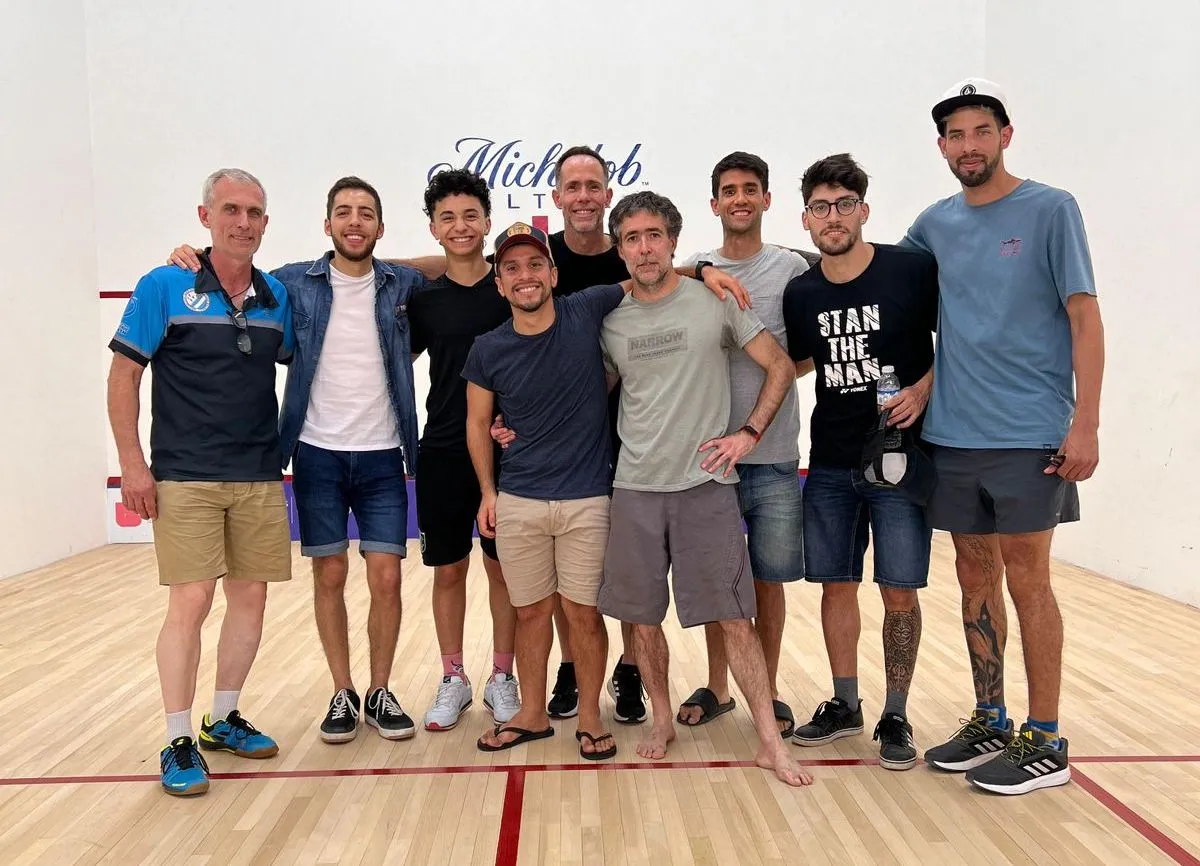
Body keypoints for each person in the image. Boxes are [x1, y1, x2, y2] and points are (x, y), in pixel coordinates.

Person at [168, 178, 425, 745]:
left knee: (386, 576)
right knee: (328, 572)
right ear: (326, 224)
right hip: (316, 453)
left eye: (366, 215)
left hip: (385, 454)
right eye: (343, 213)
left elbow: (453, 263)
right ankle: (342, 691)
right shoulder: (289, 283)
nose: (354, 222)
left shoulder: (402, 283)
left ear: (380, 228)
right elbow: (227, 269)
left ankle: (381, 690)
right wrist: (191, 253)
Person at [902, 78, 1105, 794]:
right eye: (955, 136)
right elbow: (884, 287)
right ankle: (990, 715)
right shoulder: (933, 224)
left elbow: (1084, 317)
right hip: (954, 434)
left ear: (1005, 136)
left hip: (1029, 434)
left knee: (1030, 581)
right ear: (941, 148)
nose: (968, 146)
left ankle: (1045, 739)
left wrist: (1085, 422)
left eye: (980, 131)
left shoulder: (1051, 210)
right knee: (973, 577)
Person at [598, 191, 812, 787]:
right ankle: (661, 718)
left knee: (735, 619)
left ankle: (769, 739)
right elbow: (590, 391)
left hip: (706, 485)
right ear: (620, 249)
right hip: (635, 487)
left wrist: (748, 433)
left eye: (653, 235)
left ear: (672, 240)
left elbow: (777, 366)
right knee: (642, 620)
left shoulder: (713, 300)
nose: (644, 247)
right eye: (631, 238)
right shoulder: (611, 322)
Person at [108, 168, 294, 797]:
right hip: (185, 477)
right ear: (205, 215)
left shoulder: (277, 297)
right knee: (190, 602)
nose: (243, 222)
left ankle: (224, 716)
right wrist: (134, 465)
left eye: (255, 213)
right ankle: (179, 737)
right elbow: (123, 378)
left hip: (258, 474)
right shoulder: (165, 284)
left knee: (250, 599)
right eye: (231, 210)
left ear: (266, 223)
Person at [781, 153, 937, 771]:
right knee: (835, 585)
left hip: (899, 462)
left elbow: (960, 340)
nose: (833, 216)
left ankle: (895, 714)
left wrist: (925, 388)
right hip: (830, 463)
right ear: (806, 219)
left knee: (900, 591)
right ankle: (845, 704)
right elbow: (794, 364)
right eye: (821, 207)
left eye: (845, 204)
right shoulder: (802, 291)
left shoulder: (911, 270)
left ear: (864, 210)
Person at [463, 222, 623, 759]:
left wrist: (710, 272)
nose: (525, 275)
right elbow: (476, 422)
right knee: (531, 611)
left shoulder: (584, 310)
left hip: (586, 498)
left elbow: (653, 277)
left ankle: (590, 717)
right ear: (499, 284)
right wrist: (489, 493)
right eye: (511, 268)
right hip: (520, 500)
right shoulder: (487, 348)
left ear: (553, 275)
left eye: (535, 265)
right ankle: (531, 715)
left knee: (583, 612)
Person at [675, 151, 810, 739]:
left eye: (750, 189)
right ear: (714, 204)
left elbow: (805, 352)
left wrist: (768, 389)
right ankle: (719, 685)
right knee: (718, 580)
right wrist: (702, 272)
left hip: (774, 454)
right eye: (728, 191)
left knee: (766, 580)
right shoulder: (694, 272)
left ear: (766, 199)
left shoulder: (792, 270)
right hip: (710, 459)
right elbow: (657, 275)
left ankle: (769, 688)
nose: (739, 199)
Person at [408, 168, 520, 731]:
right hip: (444, 453)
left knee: (503, 574)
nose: (459, 226)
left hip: (509, 454)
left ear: (487, 223)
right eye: (447, 217)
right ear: (433, 228)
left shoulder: (511, 290)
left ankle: (504, 676)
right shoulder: (423, 302)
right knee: (448, 572)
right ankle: (453, 677)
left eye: (470, 215)